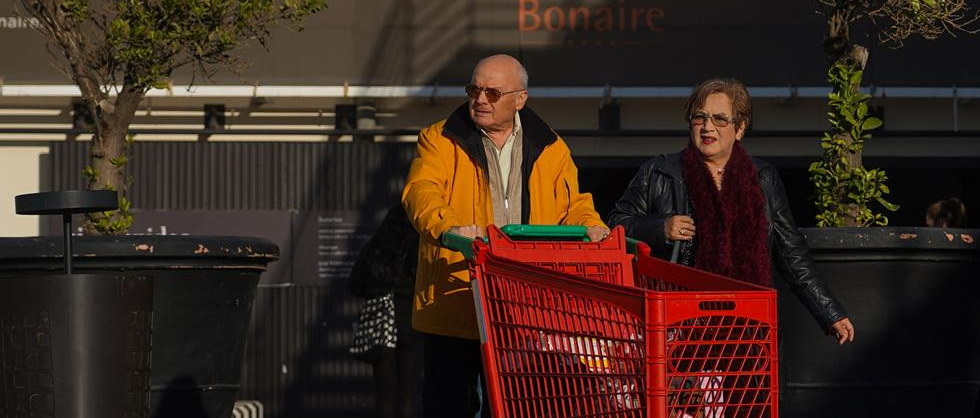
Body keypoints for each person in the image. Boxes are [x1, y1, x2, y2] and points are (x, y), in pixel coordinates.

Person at [402, 54, 609, 418]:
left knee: (517, 407)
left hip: (523, 311)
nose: (480, 99)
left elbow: (573, 204)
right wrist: (449, 227)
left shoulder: (551, 147)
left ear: (520, 99)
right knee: (448, 406)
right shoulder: (440, 138)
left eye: (493, 92)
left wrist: (591, 225)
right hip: (456, 300)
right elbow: (422, 190)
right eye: (474, 89)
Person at [608, 77, 855, 344]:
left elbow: (790, 252)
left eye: (720, 119)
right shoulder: (659, 172)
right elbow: (616, 225)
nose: (707, 127)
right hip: (679, 326)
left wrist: (829, 312)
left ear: (740, 128)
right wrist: (660, 228)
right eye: (699, 117)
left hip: (749, 328)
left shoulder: (763, 178)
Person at [347, 204, 421, 418]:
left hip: (380, 322)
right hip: (410, 323)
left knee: (385, 392)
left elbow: (355, 284)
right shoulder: (417, 246)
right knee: (408, 391)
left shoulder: (377, 247)